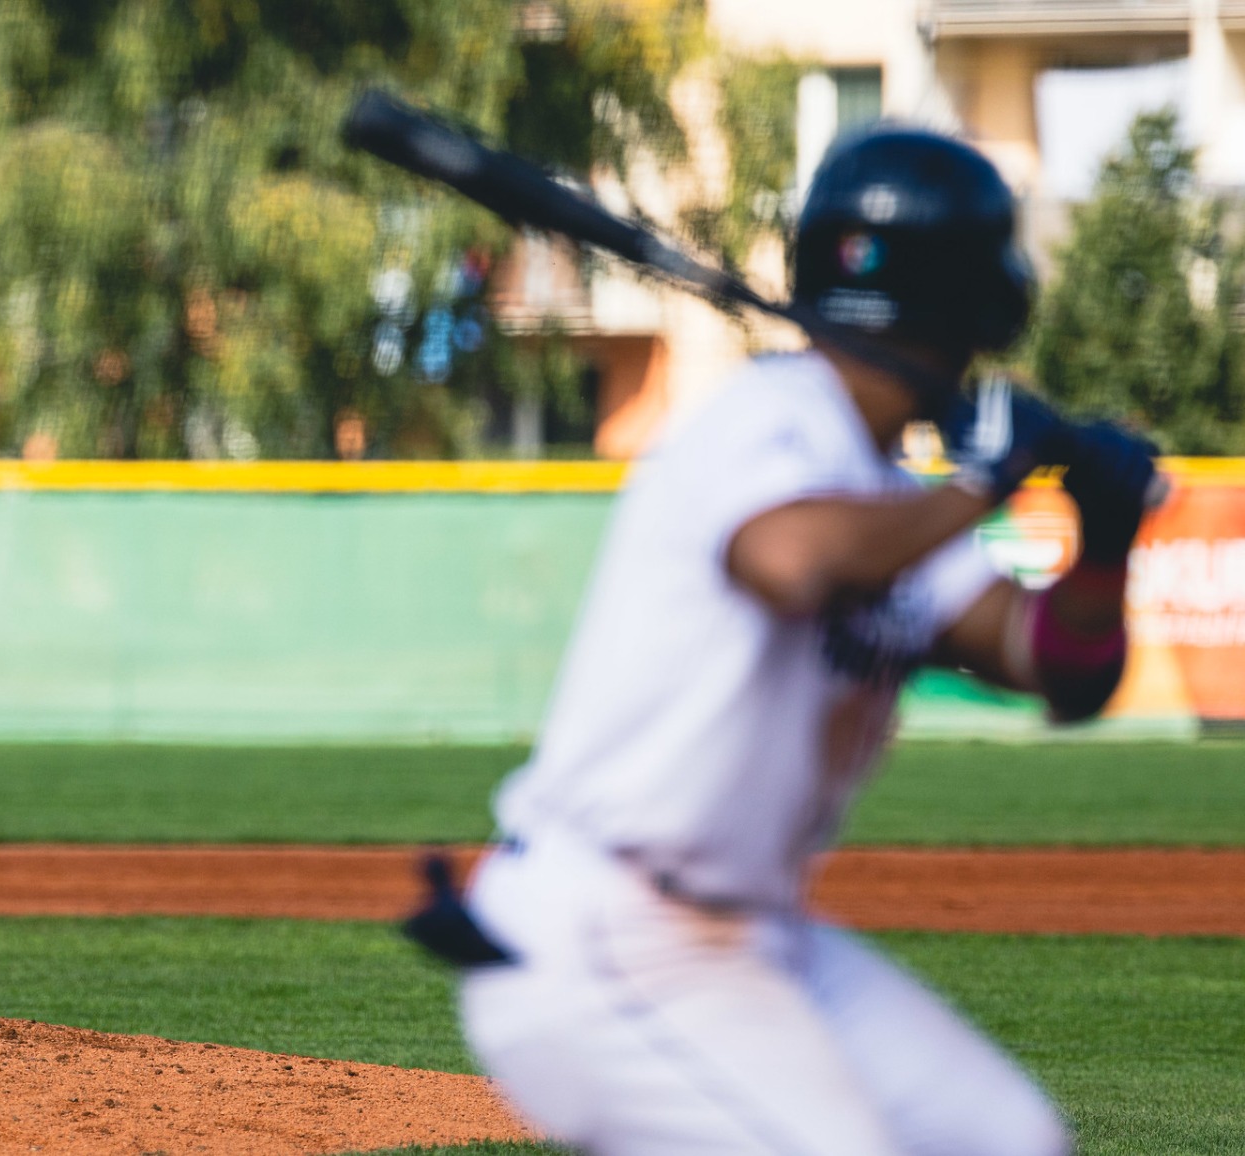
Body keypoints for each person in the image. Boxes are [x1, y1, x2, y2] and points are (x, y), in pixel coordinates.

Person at [452, 128, 1158, 1154]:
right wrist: (986, 482)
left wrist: (1104, 542)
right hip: (600, 928)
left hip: (745, 935)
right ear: (976, 303)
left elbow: (1056, 668)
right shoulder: (769, 419)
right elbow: (794, 562)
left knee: (1005, 1136)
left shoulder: (886, 495)